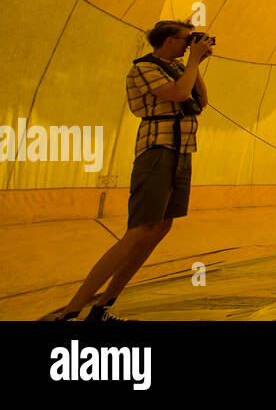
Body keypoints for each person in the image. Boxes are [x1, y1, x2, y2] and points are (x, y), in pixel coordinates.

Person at [41, 20, 213, 321]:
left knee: (161, 226)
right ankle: (71, 311)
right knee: (138, 232)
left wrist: (194, 64)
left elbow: (202, 101)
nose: (191, 44)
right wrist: (194, 61)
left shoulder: (177, 68)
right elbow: (180, 95)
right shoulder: (143, 69)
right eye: (187, 40)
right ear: (169, 41)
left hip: (182, 152)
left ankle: (105, 305)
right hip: (157, 153)